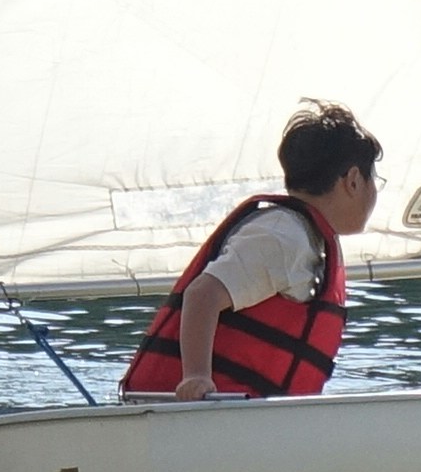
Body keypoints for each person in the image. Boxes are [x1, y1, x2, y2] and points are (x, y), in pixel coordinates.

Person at [120, 101, 376, 400]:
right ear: (354, 181)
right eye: (375, 180)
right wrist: (197, 378)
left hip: (246, 418)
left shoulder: (302, 235)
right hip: (192, 415)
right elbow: (202, 294)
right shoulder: (283, 236)